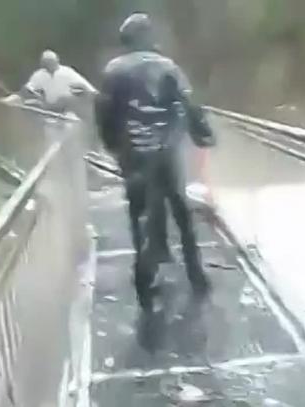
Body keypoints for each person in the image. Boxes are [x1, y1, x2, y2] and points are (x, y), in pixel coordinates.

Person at [95, 13, 215, 308]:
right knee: (180, 210)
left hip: (134, 154)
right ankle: (196, 273)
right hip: (167, 151)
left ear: (126, 41)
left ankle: (144, 280)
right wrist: (202, 132)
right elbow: (188, 103)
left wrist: (113, 145)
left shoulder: (114, 70)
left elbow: (104, 111)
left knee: (140, 214)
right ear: (147, 36)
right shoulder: (168, 66)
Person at [22, 50, 97, 113]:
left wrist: (94, 94)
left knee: (64, 98)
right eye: (46, 62)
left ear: (57, 60)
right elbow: (29, 88)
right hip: (48, 109)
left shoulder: (67, 72)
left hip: (67, 109)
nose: (49, 64)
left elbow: (85, 86)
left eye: (51, 61)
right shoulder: (39, 75)